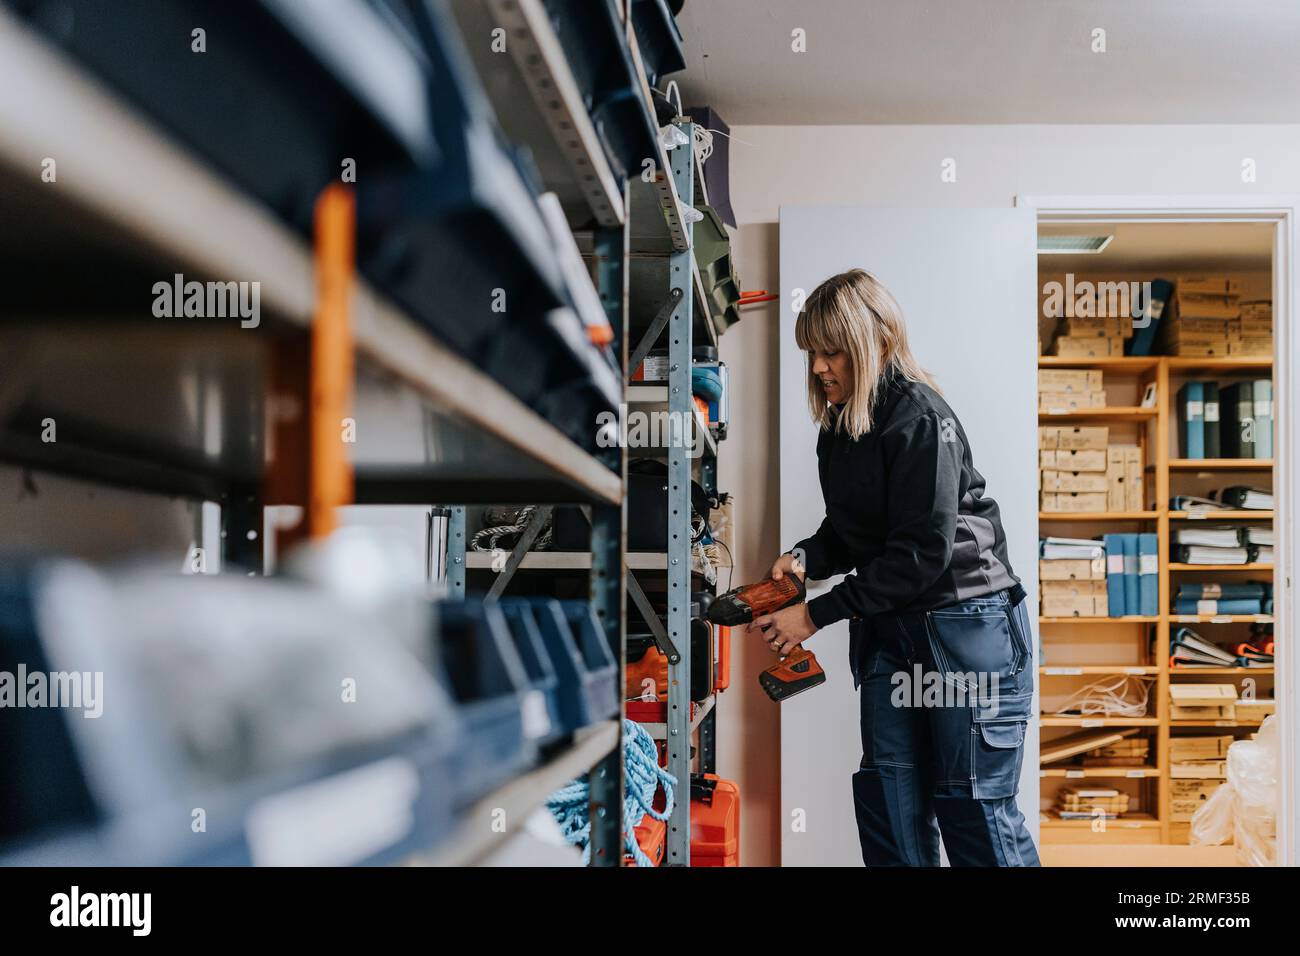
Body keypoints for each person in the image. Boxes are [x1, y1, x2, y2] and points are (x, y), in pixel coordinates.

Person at [755, 268, 1040, 867]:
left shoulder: (919, 419)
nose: (818, 368)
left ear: (875, 341)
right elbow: (856, 529)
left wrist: (816, 615)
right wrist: (807, 559)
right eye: (812, 353)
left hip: (964, 628)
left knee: (972, 809)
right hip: (893, 629)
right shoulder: (841, 425)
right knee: (890, 804)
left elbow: (919, 553)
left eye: (832, 351)